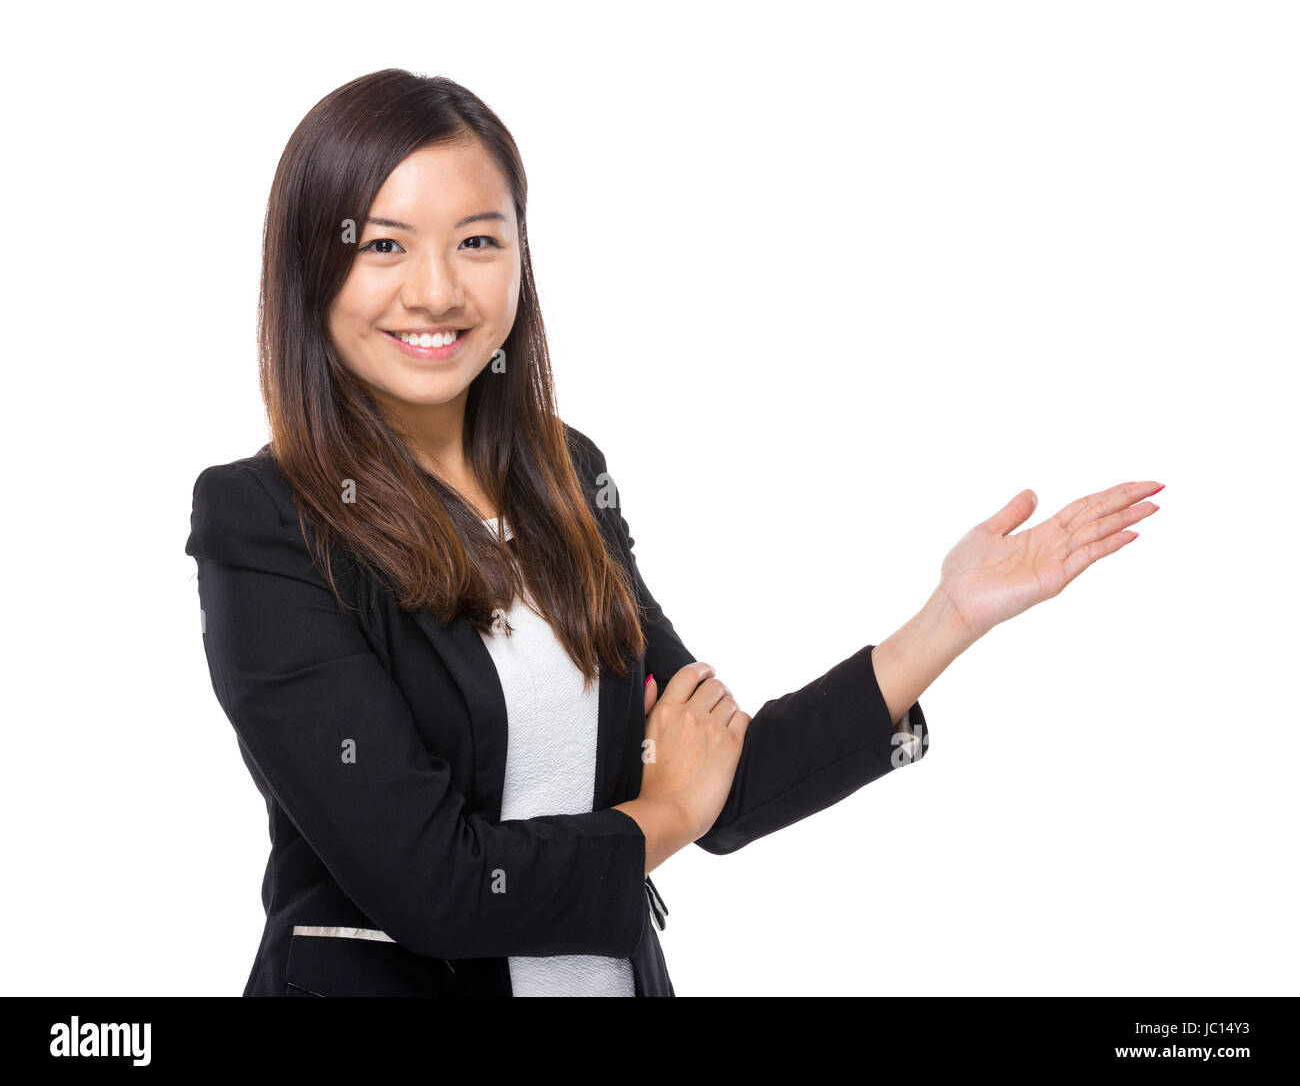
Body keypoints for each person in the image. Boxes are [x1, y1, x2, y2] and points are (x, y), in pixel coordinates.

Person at [185, 69, 1162, 997]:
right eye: (385, 245)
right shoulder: (266, 521)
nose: (437, 291)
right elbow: (434, 885)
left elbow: (717, 777)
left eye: (478, 242)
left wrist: (948, 616)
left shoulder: (566, 475)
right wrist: (662, 817)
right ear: (313, 266)